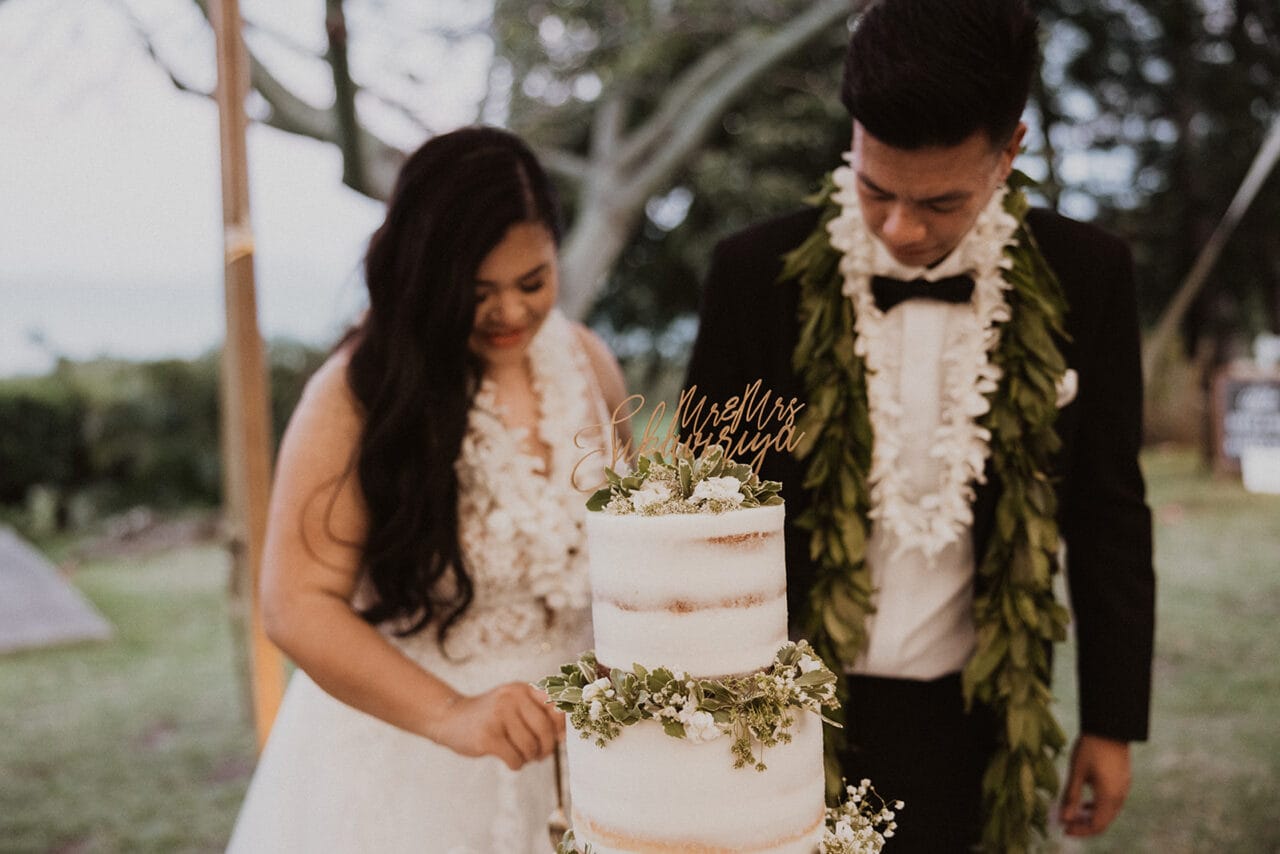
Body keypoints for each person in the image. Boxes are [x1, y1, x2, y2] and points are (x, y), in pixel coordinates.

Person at [684, 1, 1155, 851]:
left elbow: (1108, 512)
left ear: (1009, 150)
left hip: (973, 712)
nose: (902, 229)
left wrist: (1113, 722)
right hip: (779, 705)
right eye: (875, 189)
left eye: (940, 201)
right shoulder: (752, 277)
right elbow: (701, 522)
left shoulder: (1089, 276)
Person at [226, 126, 628, 853]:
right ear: (425, 275)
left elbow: (632, 542)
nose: (510, 313)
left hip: (584, 763)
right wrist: (454, 715)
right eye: (478, 292)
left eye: (533, 282)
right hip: (414, 768)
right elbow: (294, 605)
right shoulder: (356, 396)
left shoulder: (588, 363)